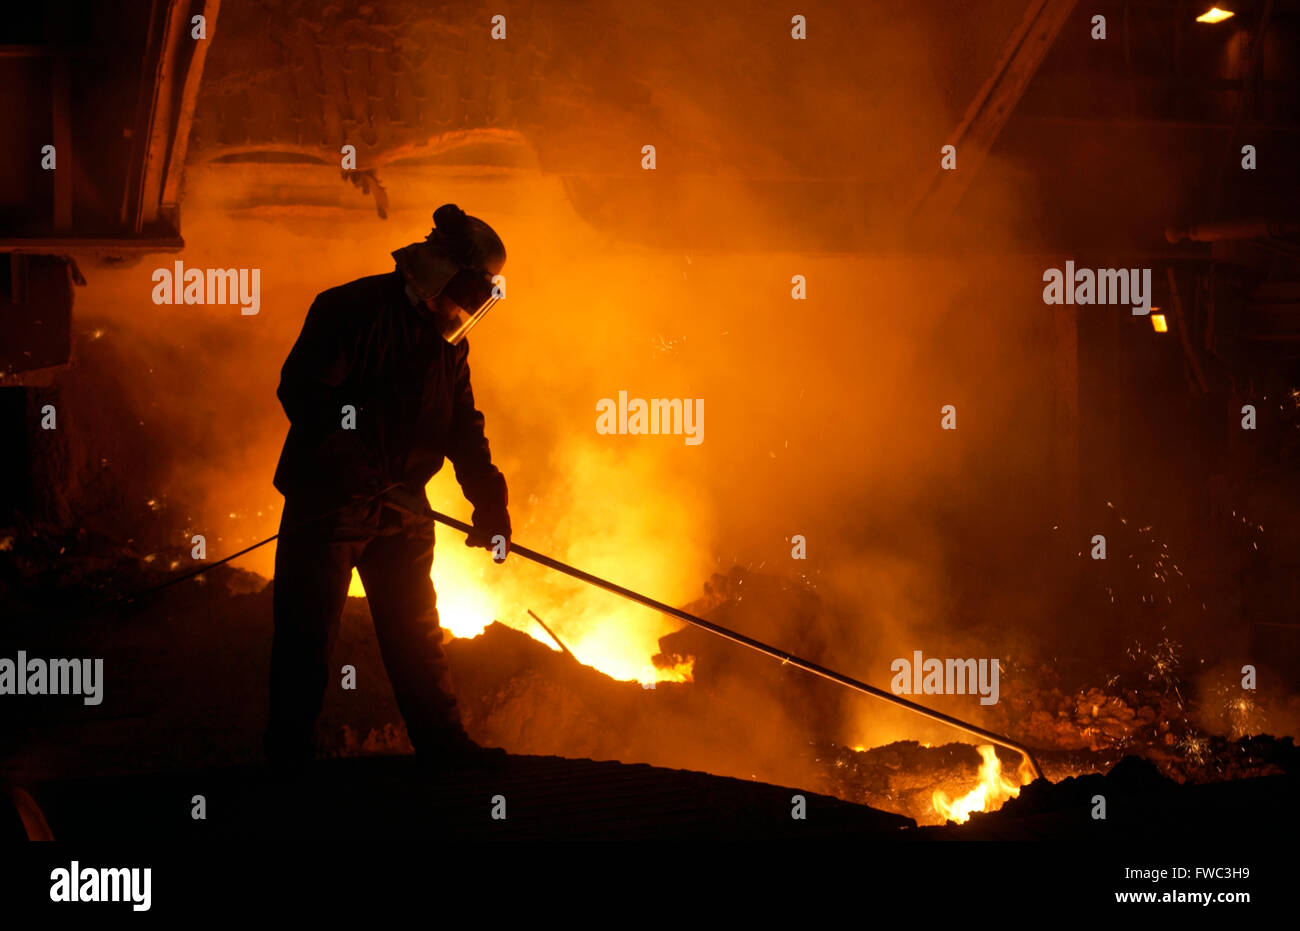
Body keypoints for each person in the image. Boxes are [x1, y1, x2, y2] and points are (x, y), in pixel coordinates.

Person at [266, 204, 511, 770]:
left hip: (403, 511)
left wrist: (490, 501)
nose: (464, 310)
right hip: (329, 507)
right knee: (307, 640)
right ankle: (287, 764)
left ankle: (445, 750)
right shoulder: (348, 309)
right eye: (463, 293)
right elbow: (303, 393)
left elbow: (462, 426)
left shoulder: (449, 341)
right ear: (438, 271)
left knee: (416, 636)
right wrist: (356, 471)